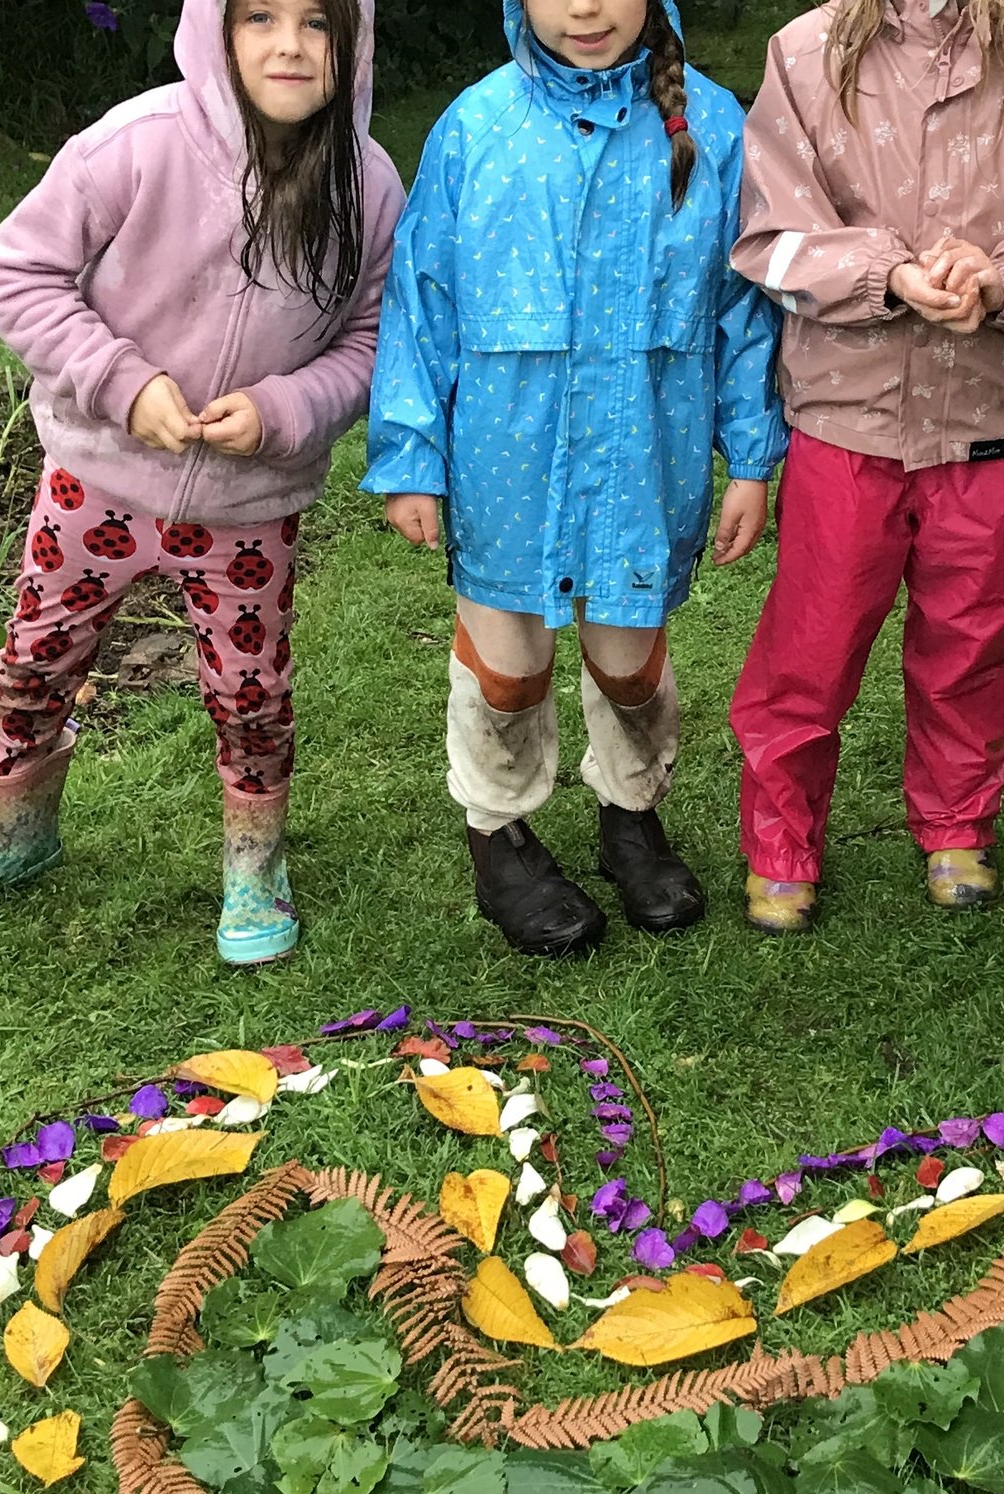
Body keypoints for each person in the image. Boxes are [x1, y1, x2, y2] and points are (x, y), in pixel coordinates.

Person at [0, 0, 403, 964]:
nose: (289, 45)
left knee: (252, 695)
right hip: (99, 484)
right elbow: (19, 273)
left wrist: (288, 408)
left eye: (317, 23)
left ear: (355, 41)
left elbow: (376, 341)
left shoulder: (368, 186)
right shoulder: (134, 144)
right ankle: (9, 837)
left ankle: (254, 870)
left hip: (251, 507)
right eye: (260, 17)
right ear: (216, 26)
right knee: (34, 661)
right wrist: (127, 385)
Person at [365, 0, 787, 958]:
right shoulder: (477, 126)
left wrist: (751, 457)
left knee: (630, 659)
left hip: (647, 451)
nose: (586, 8)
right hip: (506, 453)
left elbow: (743, 310)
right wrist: (409, 455)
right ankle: (499, 834)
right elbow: (421, 299)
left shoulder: (712, 125)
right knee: (506, 667)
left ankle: (630, 813)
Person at [726, 0, 1004, 933]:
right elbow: (770, 233)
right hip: (850, 412)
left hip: (1001, 414)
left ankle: (959, 822)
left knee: (975, 634)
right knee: (814, 639)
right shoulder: (807, 51)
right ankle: (781, 837)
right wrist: (885, 274)